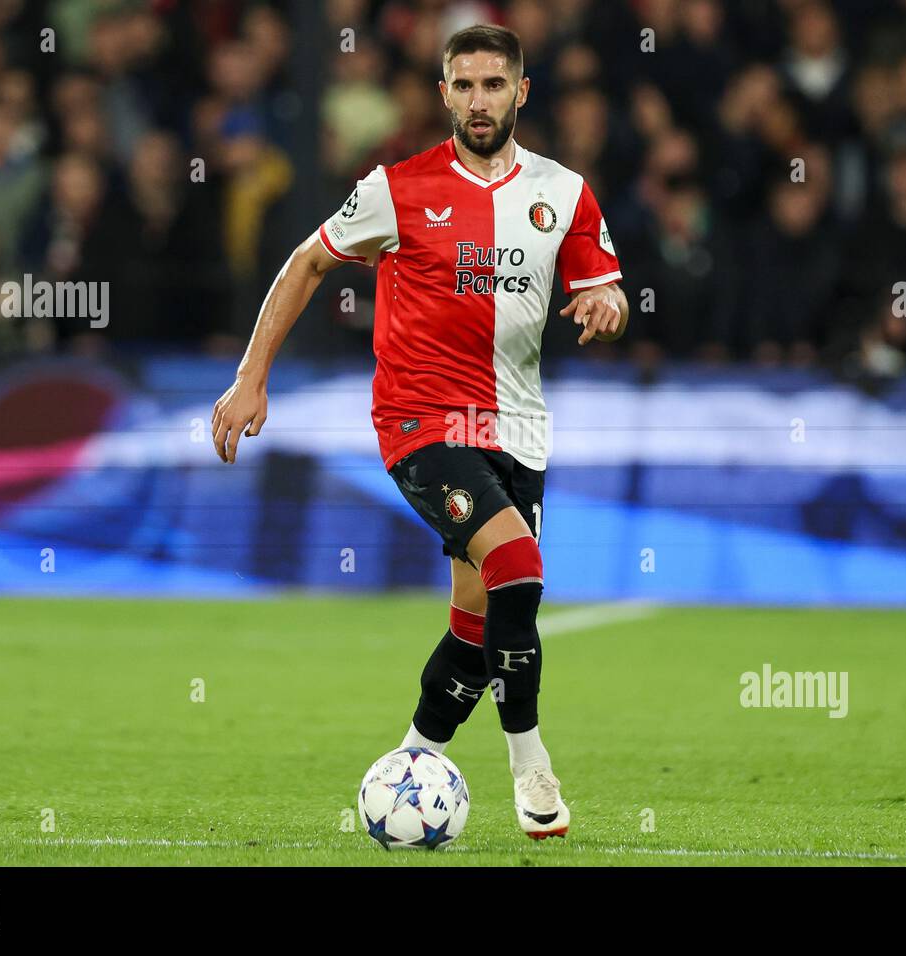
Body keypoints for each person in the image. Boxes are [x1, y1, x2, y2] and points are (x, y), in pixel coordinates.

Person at [211, 24, 627, 841]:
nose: (479, 101)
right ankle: (531, 770)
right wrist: (249, 376)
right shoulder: (396, 189)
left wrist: (608, 306)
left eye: (494, 85)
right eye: (463, 85)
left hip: (518, 431)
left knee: (478, 629)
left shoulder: (565, 194)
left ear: (521, 93)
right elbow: (305, 264)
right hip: (420, 423)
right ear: (443, 94)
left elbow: (601, 289)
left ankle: (410, 764)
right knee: (518, 567)